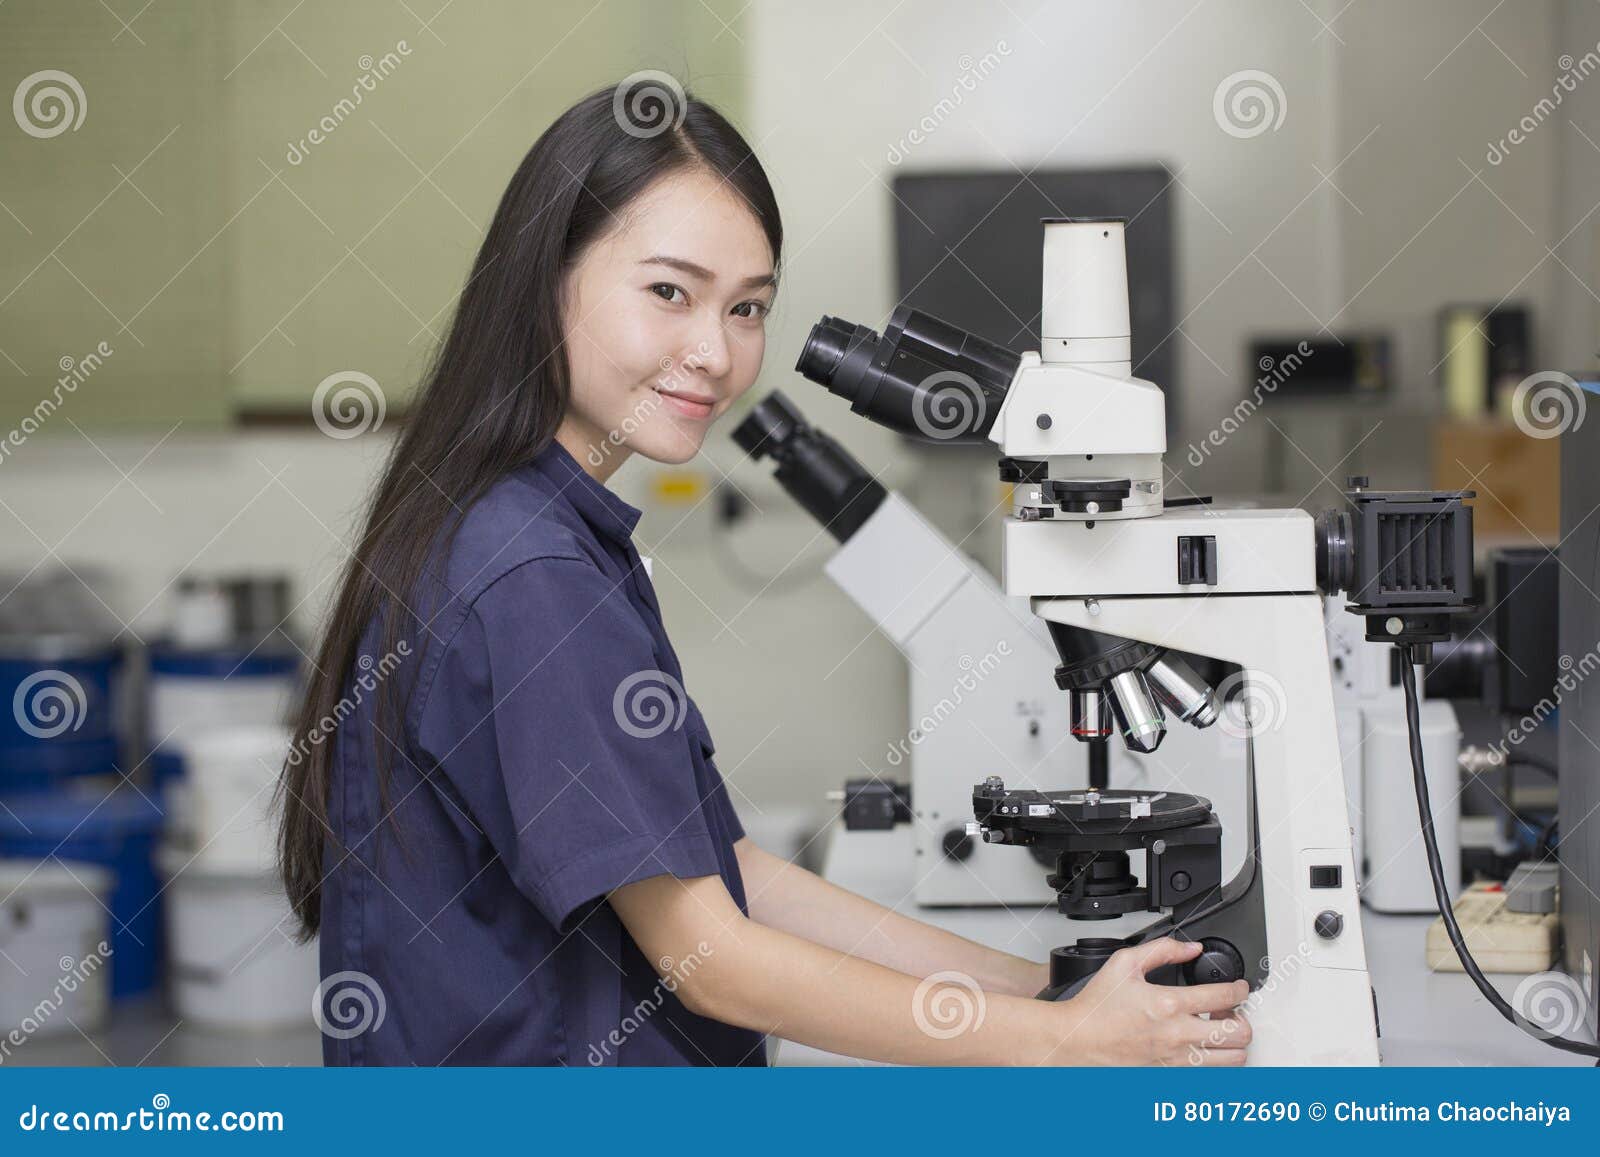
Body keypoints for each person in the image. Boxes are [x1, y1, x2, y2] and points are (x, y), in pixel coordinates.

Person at [277, 80, 1251, 1067]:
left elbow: (728, 873)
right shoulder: (532, 576)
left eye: (747, 308)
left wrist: (1039, 989)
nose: (715, 352)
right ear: (544, 277)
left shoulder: (544, 531)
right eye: (669, 291)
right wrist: (1052, 1043)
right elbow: (710, 957)